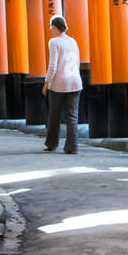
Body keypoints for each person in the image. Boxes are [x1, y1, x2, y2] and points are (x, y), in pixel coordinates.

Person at [42, 14, 83, 154]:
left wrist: (46, 83)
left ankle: (52, 144)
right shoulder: (73, 41)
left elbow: (53, 66)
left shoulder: (54, 42)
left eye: (51, 27)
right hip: (75, 82)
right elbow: (77, 62)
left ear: (55, 27)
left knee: (54, 115)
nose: (51, 30)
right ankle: (73, 147)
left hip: (59, 83)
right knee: (72, 116)